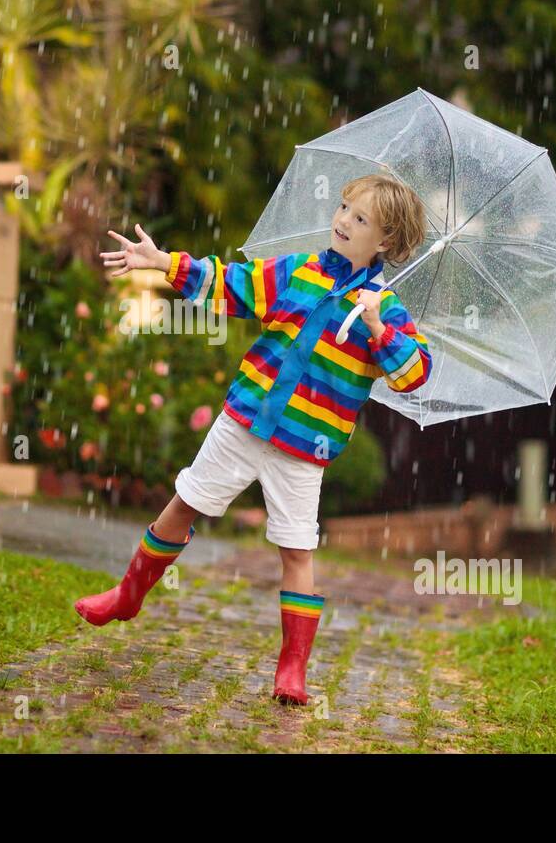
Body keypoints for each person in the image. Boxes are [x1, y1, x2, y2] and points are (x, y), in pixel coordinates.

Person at [74, 173, 432, 705]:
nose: (342, 221)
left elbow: (413, 374)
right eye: (343, 208)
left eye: (360, 219)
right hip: (243, 423)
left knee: (296, 550)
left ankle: (292, 669)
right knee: (184, 503)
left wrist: (378, 329)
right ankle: (128, 597)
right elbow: (231, 284)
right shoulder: (298, 271)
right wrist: (165, 263)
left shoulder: (388, 310)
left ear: (384, 241)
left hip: (303, 449)